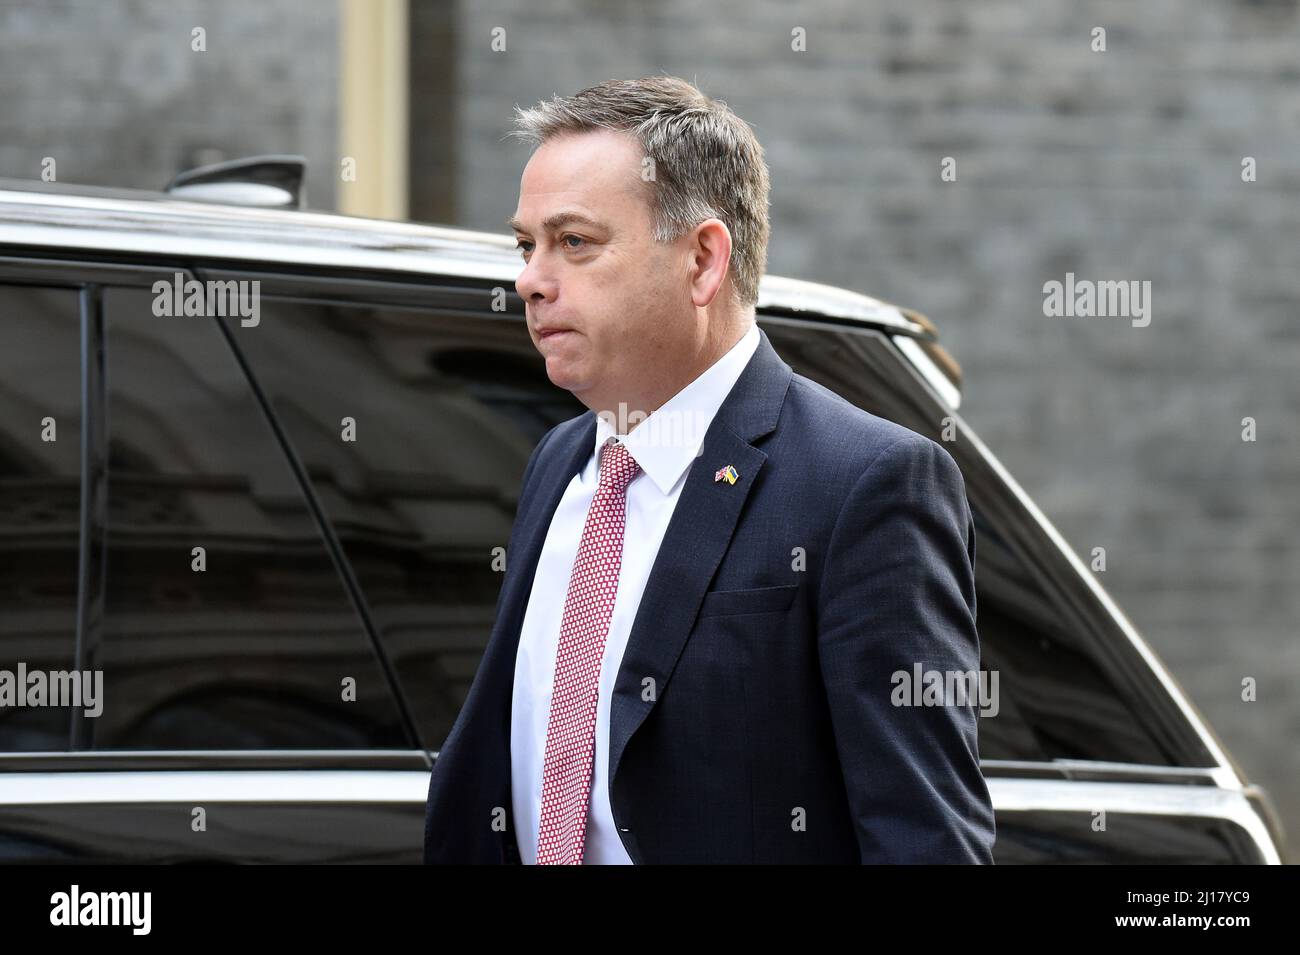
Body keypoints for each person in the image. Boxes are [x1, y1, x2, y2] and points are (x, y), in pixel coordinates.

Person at [424, 75, 995, 864]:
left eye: (575, 242)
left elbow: (923, 840)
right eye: (528, 246)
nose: (529, 279)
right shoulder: (558, 464)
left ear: (702, 260)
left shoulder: (867, 484)